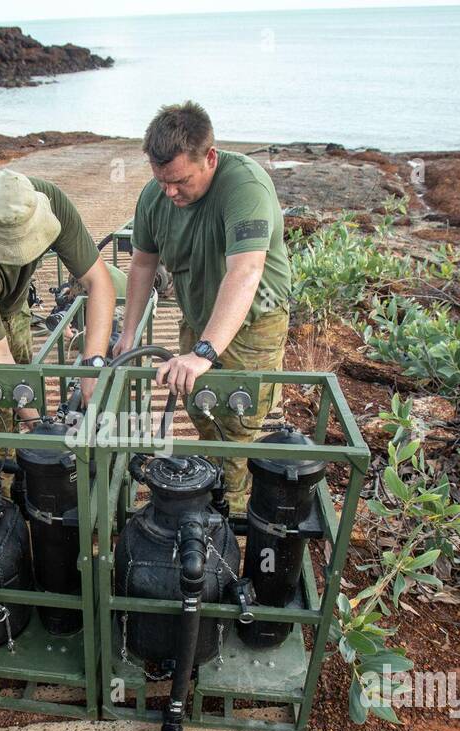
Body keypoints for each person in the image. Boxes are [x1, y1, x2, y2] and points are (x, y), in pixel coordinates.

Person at [113, 101, 291, 513]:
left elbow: (246, 273)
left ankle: (231, 505)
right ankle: (216, 471)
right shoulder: (156, 198)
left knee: (240, 417)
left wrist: (204, 353)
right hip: (197, 314)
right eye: (161, 181)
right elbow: (142, 263)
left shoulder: (246, 188)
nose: (170, 192)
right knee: (197, 402)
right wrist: (128, 333)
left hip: (254, 319)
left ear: (209, 157)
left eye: (180, 181)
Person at [0, 169, 116, 435]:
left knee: (25, 383)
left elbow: (99, 283)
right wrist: (42, 429)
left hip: (15, 303)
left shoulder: (52, 202)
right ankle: (2, 463)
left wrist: (92, 364)